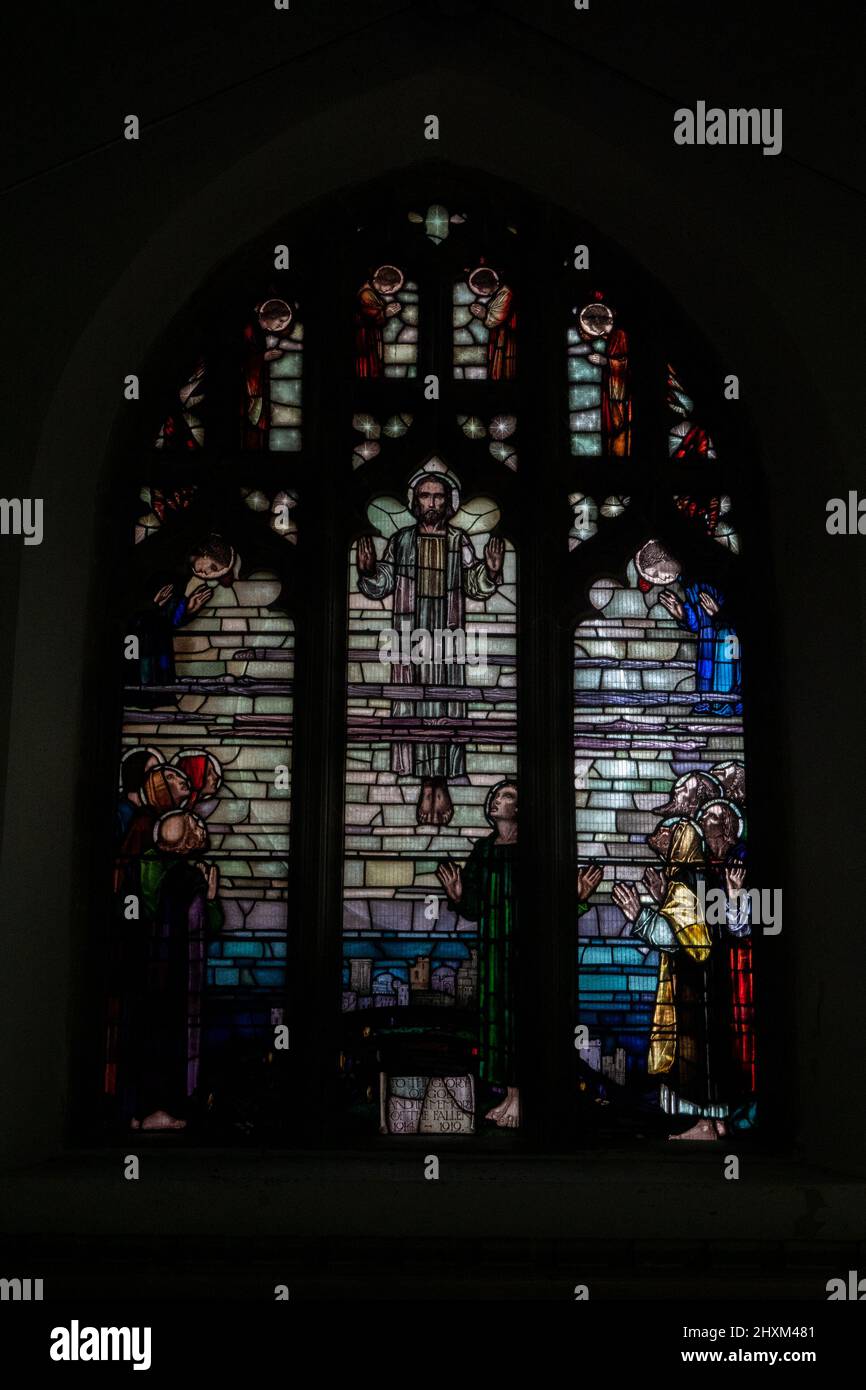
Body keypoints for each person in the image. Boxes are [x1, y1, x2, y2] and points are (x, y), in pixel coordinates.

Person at [356, 466, 504, 825]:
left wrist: (492, 571)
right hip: (408, 639)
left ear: (449, 503)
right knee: (411, 706)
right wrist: (368, 572)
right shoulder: (402, 540)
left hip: (447, 640)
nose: (432, 503)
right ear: (415, 503)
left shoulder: (458, 541)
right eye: (425, 496)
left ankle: (440, 781)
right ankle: (425, 782)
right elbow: (384, 583)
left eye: (438, 496)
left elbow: (473, 584)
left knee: (446, 705)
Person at [613, 817, 735, 1140]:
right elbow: (705, 929)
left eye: (670, 842)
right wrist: (664, 895)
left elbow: (676, 936)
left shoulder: (683, 881)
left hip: (690, 989)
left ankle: (701, 1125)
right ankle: (718, 1120)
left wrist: (639, 915)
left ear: (681, 847)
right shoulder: (710, 880)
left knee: (691, 1056)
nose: (664, 848)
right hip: (715, 984)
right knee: (713, 1053)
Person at [129, 811, 222, 1131]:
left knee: (144, 1032)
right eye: (195, 826)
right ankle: (164, 1109)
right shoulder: (188, 878)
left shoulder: (144, 869)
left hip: (145, 970)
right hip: (179, 976)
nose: (200, 829)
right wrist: (209, 900)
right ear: (186, 843)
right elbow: (206, 925)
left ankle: (138, 1109)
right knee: (173, 1038)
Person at [436, 780, 519, 1127]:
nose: (496, 799)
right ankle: (510, 1095)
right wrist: (456, 894)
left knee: (519, 1017)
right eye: (495, 795)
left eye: (506, 796)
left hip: (524, 949)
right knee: (497, 1019)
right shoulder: (483, 851)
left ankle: (521, 1096)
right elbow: (473, 908)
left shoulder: (534, 849)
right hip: (494, 948)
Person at [635, 540, 742, 715]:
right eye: (653, 576)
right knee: (707, 676)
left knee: (725, 676)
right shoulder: (688, 583)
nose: (659, 579)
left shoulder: (708, 571)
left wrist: (720, 614)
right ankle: (708, 703)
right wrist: (683, 615)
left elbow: (740, 608)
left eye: (656, 571)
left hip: (727, 640)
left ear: (666, 555)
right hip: (708, 640)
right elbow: (701, 621)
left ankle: (724, 705)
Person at [577, 297, 631, 456]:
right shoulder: (610, 336)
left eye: (597, 328)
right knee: (612, 427)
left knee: (620, 426)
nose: (597, 333)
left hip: (620, 392)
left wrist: (605, 361)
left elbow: (625, 362)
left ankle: (619, 450)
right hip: (611, 389)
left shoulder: (620, 335)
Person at [468, 265, 517, 380]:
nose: (480, 291)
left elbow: (498, 318)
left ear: (488, 283)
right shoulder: (499, 294)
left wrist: (484, 314)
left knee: (503, 367)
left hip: (506, 339)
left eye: (480, 288)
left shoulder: (506, 293)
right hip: (499, 338)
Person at [355, 265, 404, 377]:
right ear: (383, 282)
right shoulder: (366, 294)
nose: (391, 290)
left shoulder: (371, 292)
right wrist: (385, 313)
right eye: (391, 287)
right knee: (368, 367)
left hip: (370, 338)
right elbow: (370, 316)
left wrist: (385, 312)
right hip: (365, 339)